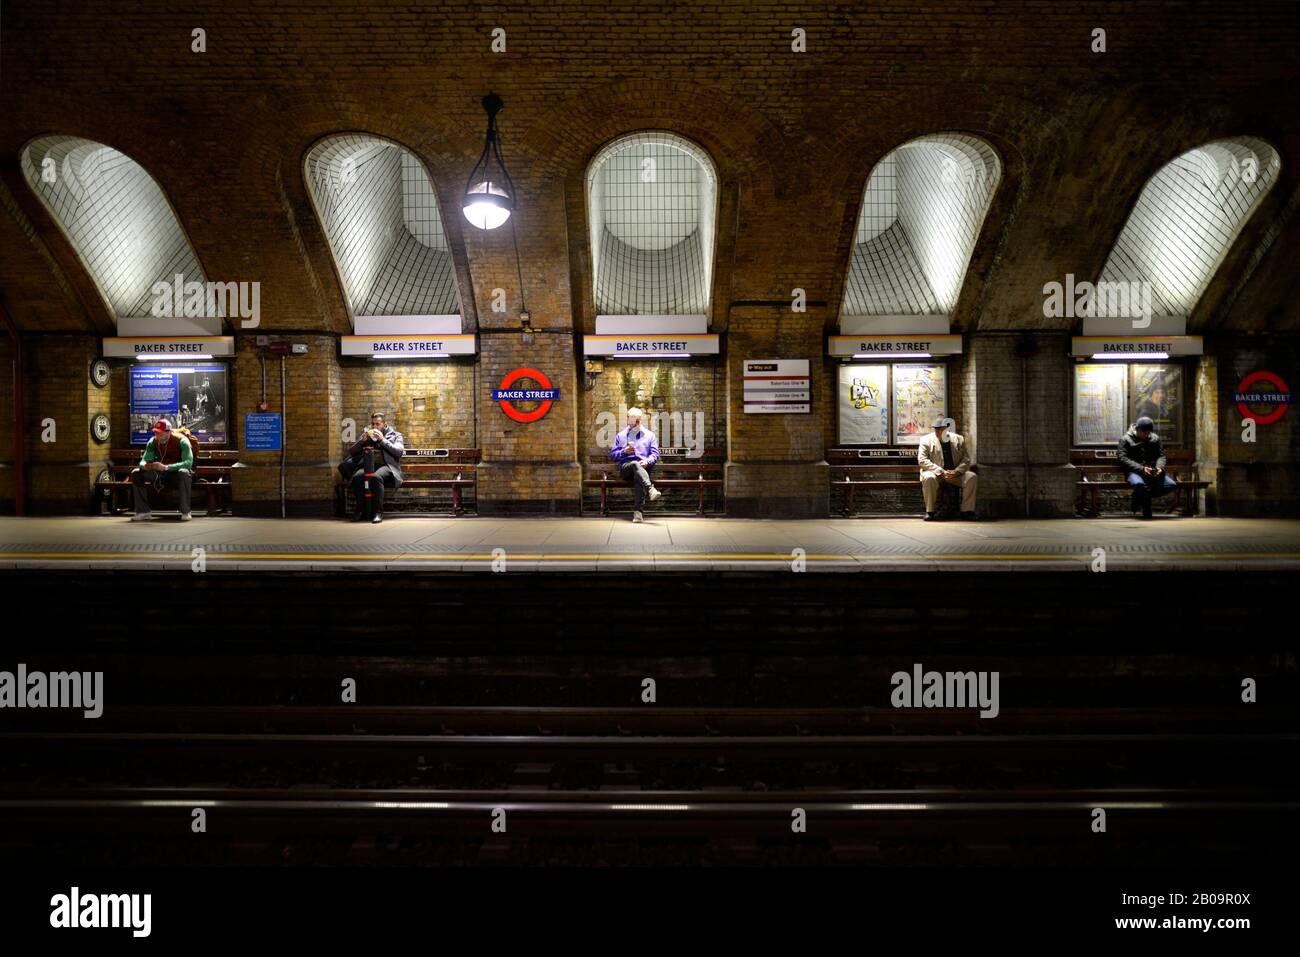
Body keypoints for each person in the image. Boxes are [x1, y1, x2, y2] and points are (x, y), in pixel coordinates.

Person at [339, 412, 405, 523]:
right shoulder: (367, 434)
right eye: (373, 424)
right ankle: (360, 510)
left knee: (375, 477)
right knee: (357, 477)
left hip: (387, 466)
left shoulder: (395, 435)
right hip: (368, 465)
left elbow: (398, 452)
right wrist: (362, 441)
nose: (375, 427)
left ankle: (377, 512)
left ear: (385, 424)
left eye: (378, 424)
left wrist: (382, 440)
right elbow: (351, 451)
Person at [130, 418, 194, 521]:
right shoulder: (153, 442)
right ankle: (143, 512)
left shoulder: (182, 441)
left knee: (184, 472)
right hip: (160, 473)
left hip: (176, 473)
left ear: (168, 432)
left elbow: (188, 463)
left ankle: (186, 511)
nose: (158, 436)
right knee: (136, 473)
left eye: (160, 433)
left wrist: (167, 467)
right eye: (156, 432)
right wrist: (148, 466)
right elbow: (142, 462)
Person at [917, 416, 977, 521]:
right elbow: (922, 460)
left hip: (954, 474)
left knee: (971, 477)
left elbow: (966, 459)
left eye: (941, 429)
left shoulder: (958, 439)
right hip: (935, 473)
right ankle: (930, 511)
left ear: (946, 429)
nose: (938, 432)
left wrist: (957, 471)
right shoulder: (925, 440)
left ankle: (967, 511)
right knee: (928, 478)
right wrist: (940, 471)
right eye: (936, 429)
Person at [608, 407, 662, 523]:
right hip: (626, 470)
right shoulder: (621, 436)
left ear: (640, 420)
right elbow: (612, 455)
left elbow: (655, 454)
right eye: (631, 421)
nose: (633, 425)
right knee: (634, 464)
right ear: (628, 420)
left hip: (643, 470)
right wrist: (624, 451)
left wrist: (647, 461)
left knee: (639, 474)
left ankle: (638, 514)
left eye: (636, 422)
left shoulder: (649, 435)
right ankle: (650, 489)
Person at [1117, 415, 1176, 519]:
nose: (1146, 435)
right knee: (1139, 484)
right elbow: (1123, 458)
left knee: (1171, 485)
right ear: (1137, 429)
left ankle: (1137, 497)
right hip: (1134, 471)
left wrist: (1159, 467)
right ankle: (1146, 508)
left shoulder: (1154, 438)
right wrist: (1142, 468)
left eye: (1149, 432)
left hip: (1152, 471)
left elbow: (1161, 455)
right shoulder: (1125, 439)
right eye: (1144, 432)